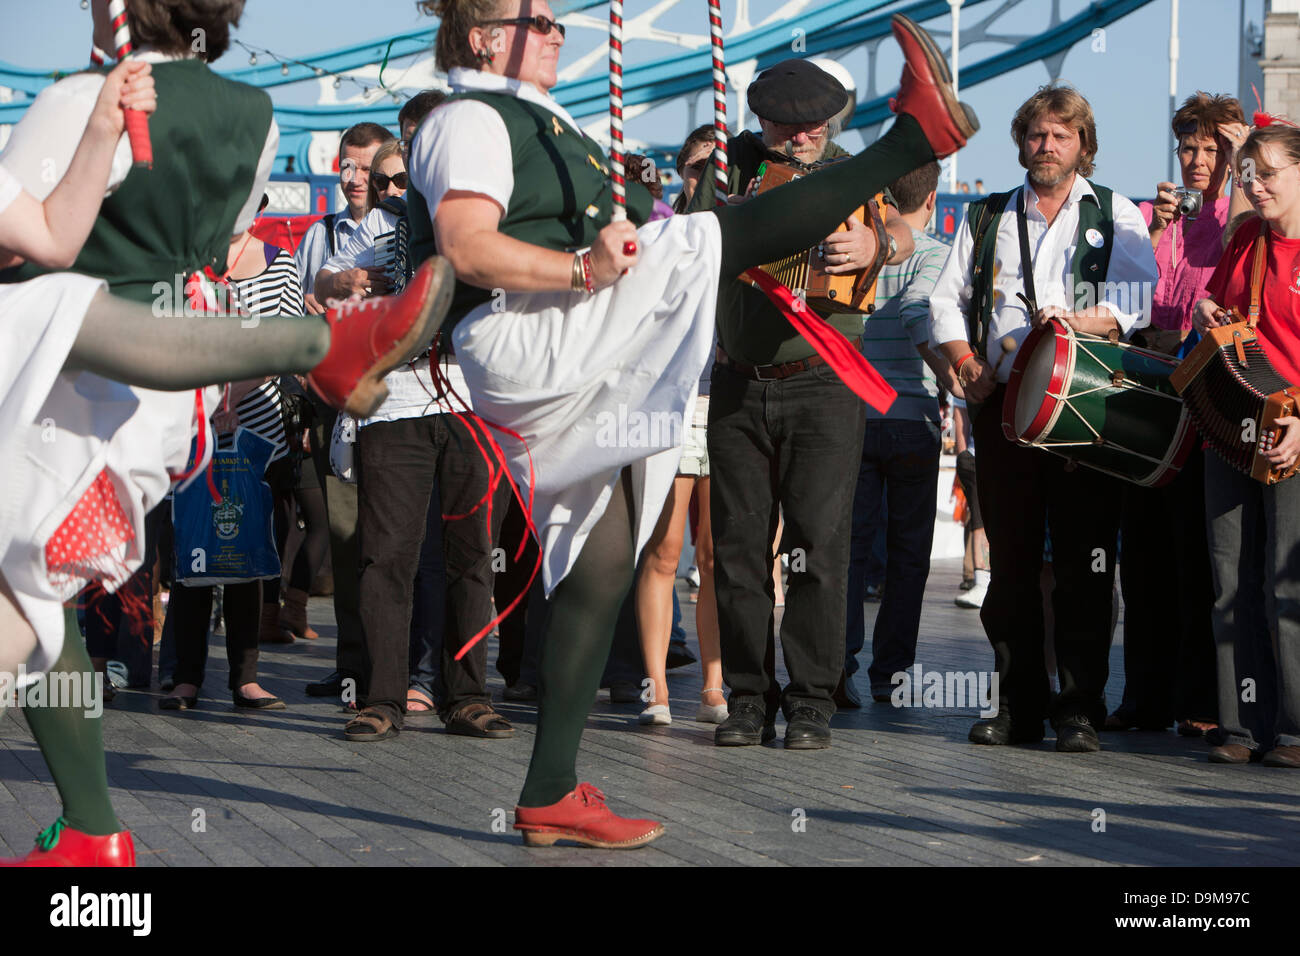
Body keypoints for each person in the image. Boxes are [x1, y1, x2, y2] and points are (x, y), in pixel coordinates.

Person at [412, 0, 973, 846]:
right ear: (487, 35)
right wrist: (579, 261)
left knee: (607, 556)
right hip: (533, 336)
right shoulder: (469, 117)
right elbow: (465, 244)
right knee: (707, 240)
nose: (559, 28)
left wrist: (619, 204)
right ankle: (912, 139)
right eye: (538, 17)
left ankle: (549, 791)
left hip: (564, 340)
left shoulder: (532, 117)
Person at [0, 38, 451, 868]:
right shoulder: (252, 117)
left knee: (45, 315)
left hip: (56, 398)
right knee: (36, 603)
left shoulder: (75, 98)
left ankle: (318, 342)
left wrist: (97, 123)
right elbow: (64, 243)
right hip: (153, 402)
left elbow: (37, 250)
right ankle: (91, 829)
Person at [687, 57, 915, 751]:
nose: (806, 136)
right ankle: (749, 700)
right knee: (738, 550)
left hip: (823, 383)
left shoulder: (852, 172)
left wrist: (879, 242)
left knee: (819, 546)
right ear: (764, 122)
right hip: (739, 382)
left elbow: (909, 230)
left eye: (817, 122)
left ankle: (812, 699)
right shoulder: (727, 170)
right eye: (791, 125)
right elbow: (681, 247)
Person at [928, 83, 1158, 753]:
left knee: (1088, 561)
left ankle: (1080, 705)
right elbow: (947, 300)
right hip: (1004, 408)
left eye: (1061, 134)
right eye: (1036, 134)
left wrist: (1081, 321)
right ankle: (1017, 704)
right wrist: (964, 362)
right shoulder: (986, 215)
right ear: (1021, 142)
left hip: (1085, 406)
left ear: (1083, 144)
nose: (1047, 145)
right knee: (1014, 563)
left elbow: (1134, 300)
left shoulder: (1118, 214)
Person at [318, 134, 515, 743]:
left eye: (406, 181)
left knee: (470, 555)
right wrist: (348, 285)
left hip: (468, 398)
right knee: (387, 556)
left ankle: (468, 696)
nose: (395, 192)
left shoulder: (474, 230)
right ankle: (381, 698)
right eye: (386, 183)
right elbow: (320, 285)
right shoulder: (371, 235)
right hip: (394, 402)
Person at [1108, 93, 1250, 738]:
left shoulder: (1240, 215)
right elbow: (1128, 300)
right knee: (1142, 553)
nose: (1197, 160)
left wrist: (1244, 160)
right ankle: (1144, 696)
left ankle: (1201, 701)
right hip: (1148, 373)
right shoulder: (1148, 217)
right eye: (1188, 147)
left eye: (1212, 149)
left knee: (1198, 552)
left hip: (1208, 376)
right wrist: (1158, 229)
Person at [1192, 121, 1300, 768]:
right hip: (1232, 424)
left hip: (1292, 430)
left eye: (1270, 173)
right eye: (1249, 175)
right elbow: (1220, 308)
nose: (1256, 185)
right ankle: (1238, 724)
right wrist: (1209, 314)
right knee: (1229, 579)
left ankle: (1292, 729)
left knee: (1289, 585)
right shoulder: (1245, 242)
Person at [842, 160, 957, 707]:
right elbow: (920, 311)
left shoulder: (857, 250)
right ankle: (892, 671)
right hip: (913, 418)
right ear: (932, 198)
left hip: (856, 415)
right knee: (909, 555)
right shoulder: (936, 254)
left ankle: (836, 665)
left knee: (849, 549)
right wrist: (947, 367)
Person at [296, 122, 397, 704]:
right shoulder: (320, 233)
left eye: (365, 168)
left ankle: (398, 669)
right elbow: (305, 315)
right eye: (347, 167)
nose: (354, 178)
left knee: (388, 542)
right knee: (343, 537)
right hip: (335, 409)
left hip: (390, 404)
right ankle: (352, 666)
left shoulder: (401, 229)